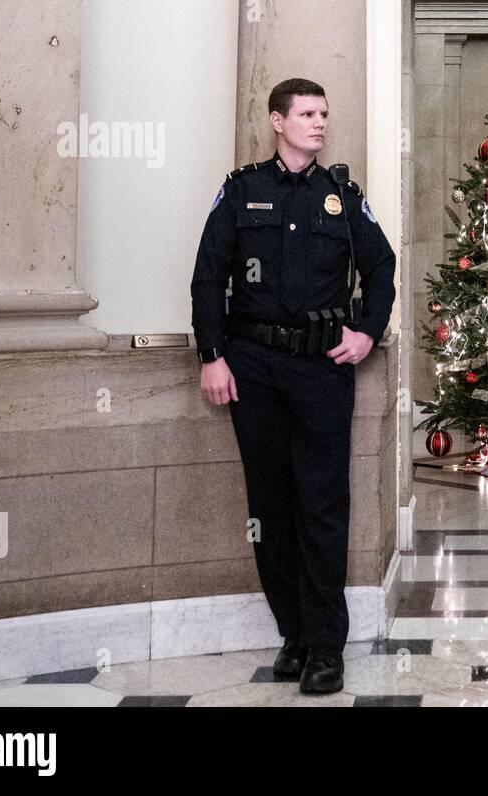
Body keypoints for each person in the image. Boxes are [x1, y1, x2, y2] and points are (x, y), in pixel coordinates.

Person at [189, 77, 396, 694]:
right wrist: (211, 356)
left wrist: (366, 331)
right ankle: (295, 635)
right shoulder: (242, 190)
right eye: (306, 113)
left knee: (322, 506)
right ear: (277, 121)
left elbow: (381, 267)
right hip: (251, 366)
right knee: (270, 507)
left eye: (324, 113)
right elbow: (207, 278)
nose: (319, 123)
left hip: (322, 370)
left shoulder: (341, 194)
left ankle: (327, 647)